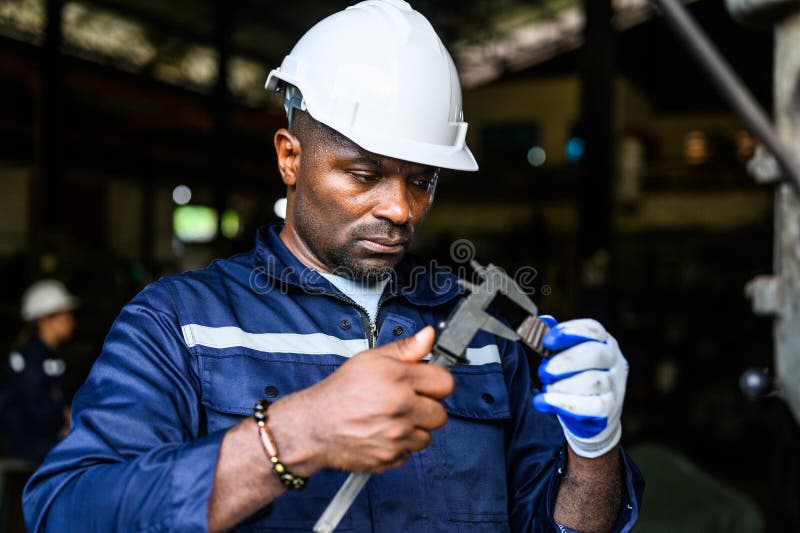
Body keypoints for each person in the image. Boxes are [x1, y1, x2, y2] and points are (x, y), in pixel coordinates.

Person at [23, 1, 643, 531]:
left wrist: (594, 450)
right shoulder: (180, 325)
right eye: (364, 174)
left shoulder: (483, 335)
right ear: (291, 158)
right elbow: (65, 510)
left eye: (423, 181)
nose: (400, 208)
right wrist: (295, 433)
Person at [2, 280, 77, 462]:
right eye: (64, 315)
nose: (71, 320)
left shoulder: (48, 355)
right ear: (44, 319)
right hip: (27, 443)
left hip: (40, 439)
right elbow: (33, 407)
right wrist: (62, 423)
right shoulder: (31, 357)